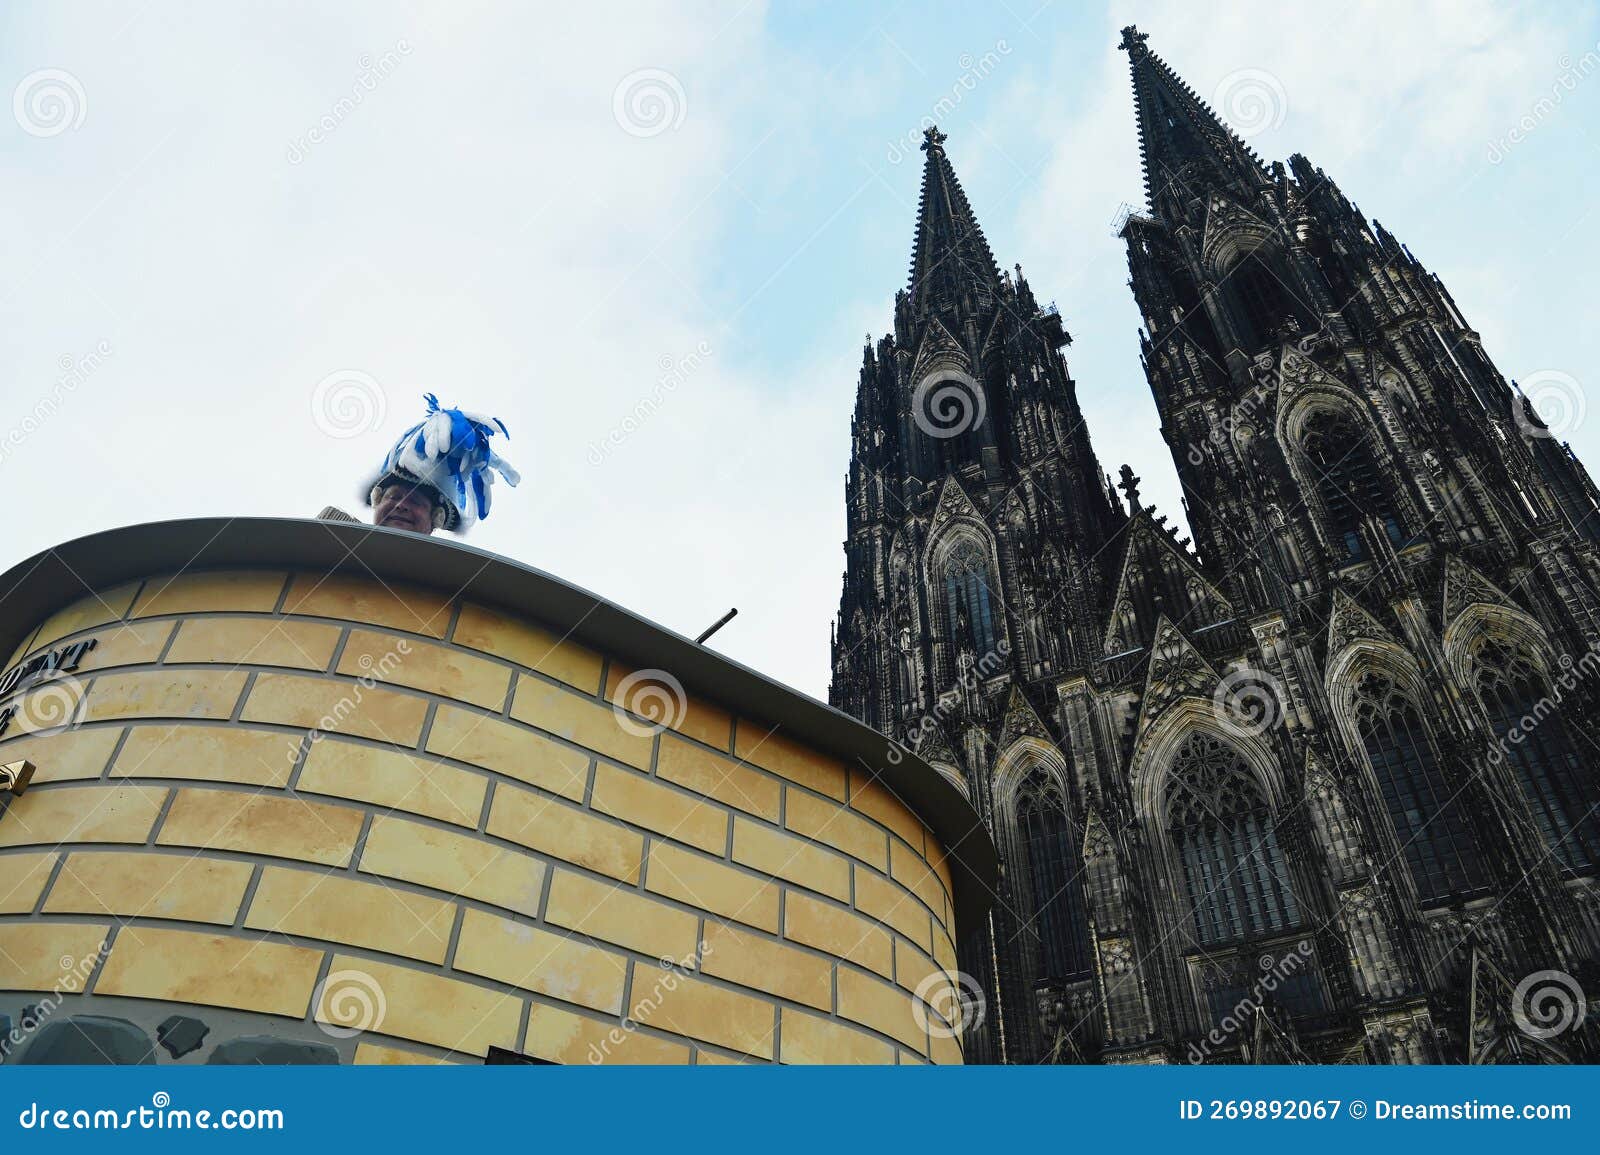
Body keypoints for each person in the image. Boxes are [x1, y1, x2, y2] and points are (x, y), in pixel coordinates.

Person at [318, 395, 520, 536]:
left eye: (415, 502)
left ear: (436, 519)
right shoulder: (338, 535)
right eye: (393, 496)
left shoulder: (449, 575)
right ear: (376, 500)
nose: (401, 505)